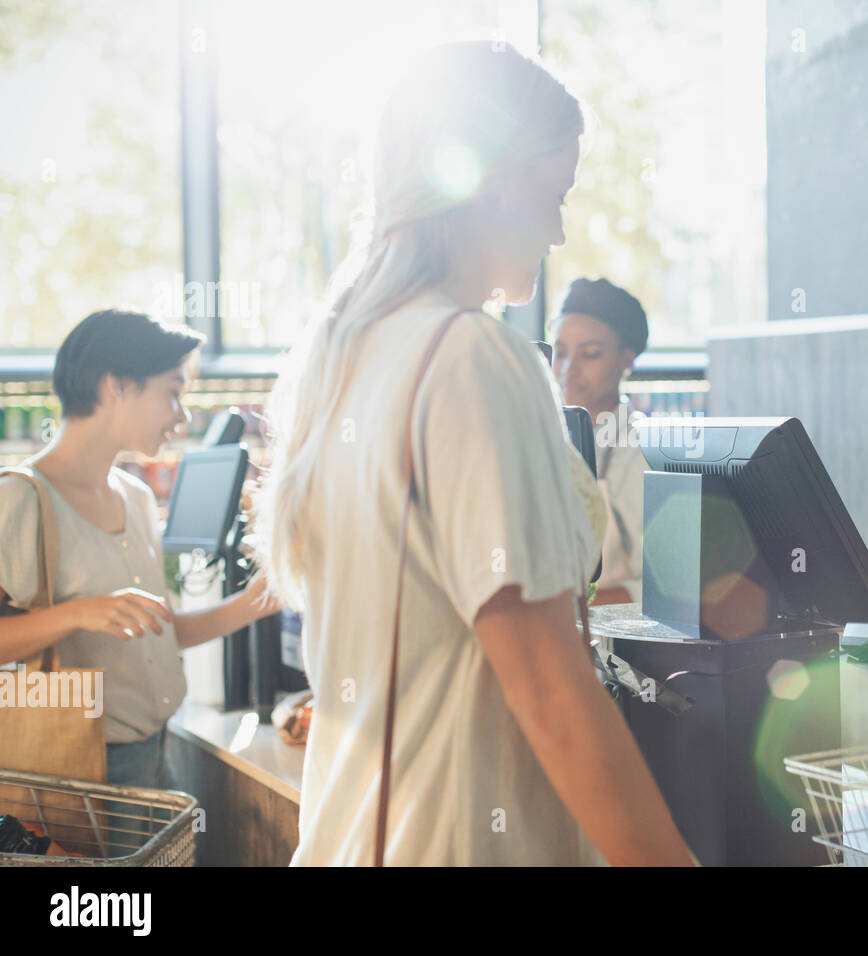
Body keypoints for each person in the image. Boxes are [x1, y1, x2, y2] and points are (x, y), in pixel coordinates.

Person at [254, 42, 693, 866]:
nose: (559, 227)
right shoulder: (469, 355)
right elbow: (553, 692)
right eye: (552, 191)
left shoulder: (343, 355)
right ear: (489, 180)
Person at [0, 309, 279, 792]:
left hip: (156, 754)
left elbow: (161, 632)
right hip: (77, 768)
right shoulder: (20, 497)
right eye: (172, 391)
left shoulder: (138, 497)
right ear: (117, 385)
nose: (182, 415)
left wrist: (262, 597)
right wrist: (78, 614)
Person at [551, 277, 650, 606]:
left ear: (627, 358)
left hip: (611, 647)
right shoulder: (542, 440)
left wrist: (567, 607)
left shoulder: (641, 452)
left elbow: (660, 588)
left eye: (590, 354)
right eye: (559, 352)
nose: (567, 369)